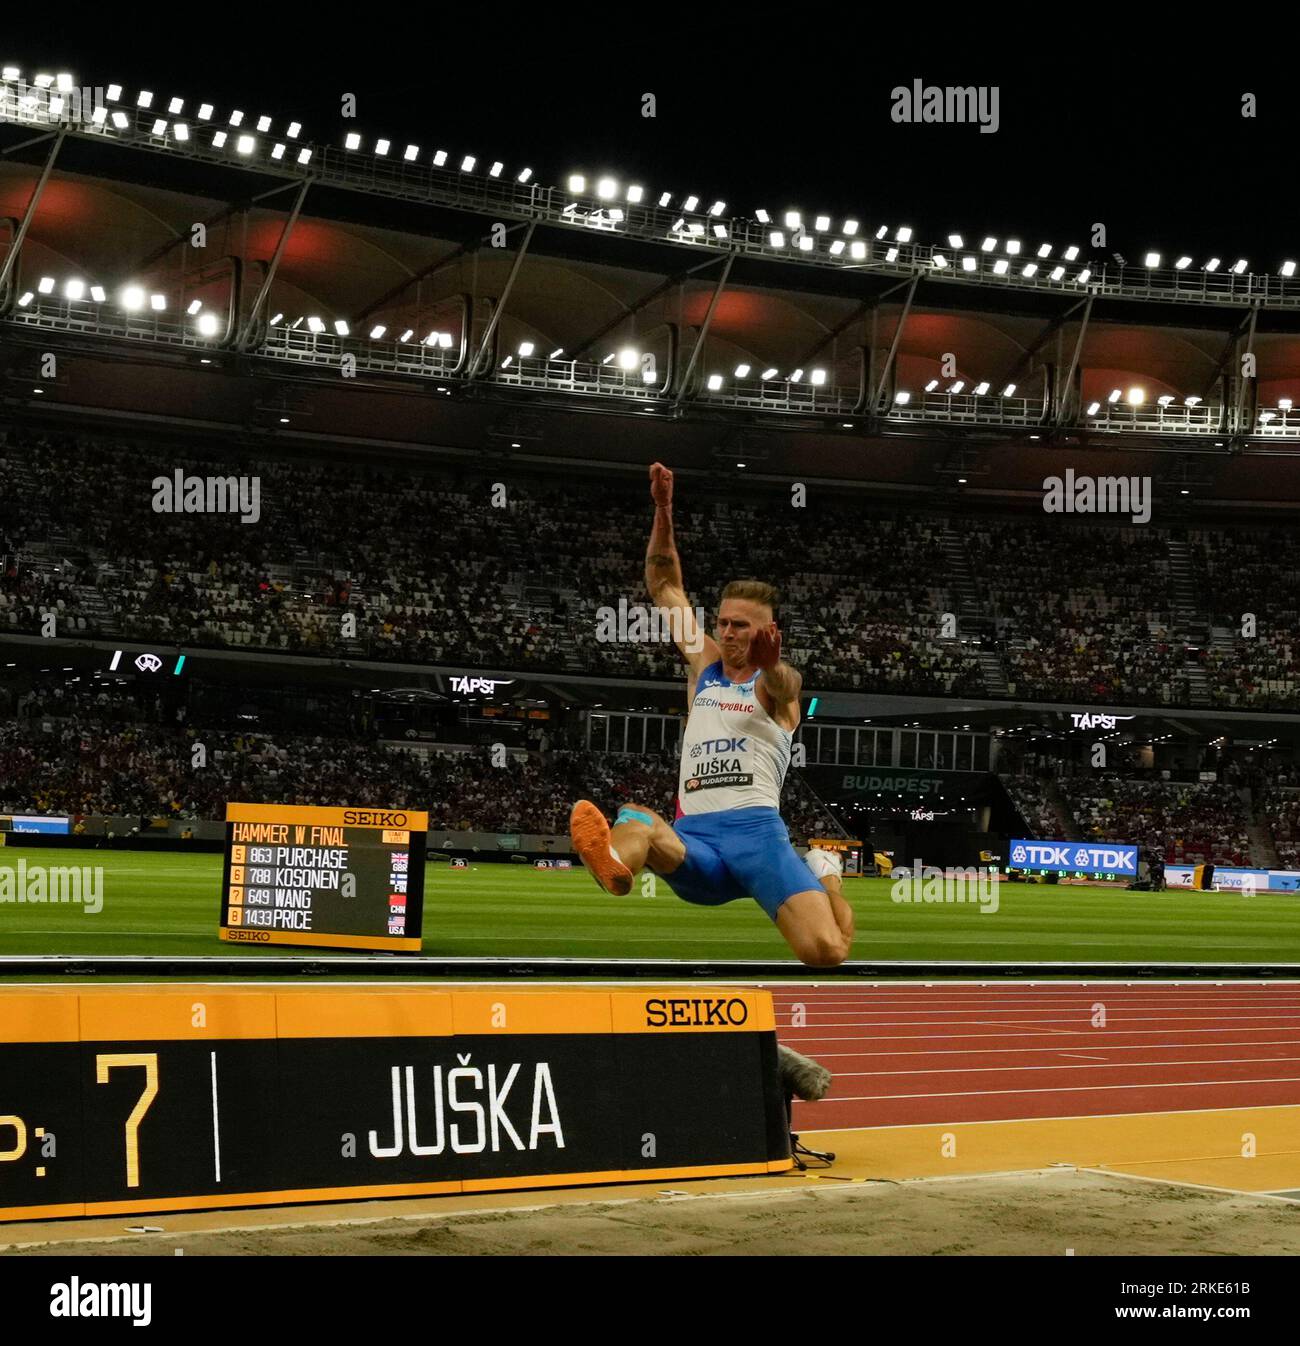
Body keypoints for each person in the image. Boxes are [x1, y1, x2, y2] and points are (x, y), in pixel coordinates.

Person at [569, 462, 854, 967]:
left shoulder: (777, 686)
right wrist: (662, 508)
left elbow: (786, 685)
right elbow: (663, 585)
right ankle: (612, 865)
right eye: (722, 622)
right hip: (695, 841)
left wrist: (771, 665)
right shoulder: (705, 667)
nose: (726, 632)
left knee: (826, 951)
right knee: (638, 818)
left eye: (740, 626)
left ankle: (823, 871)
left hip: (758, 839)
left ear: (768, 631)